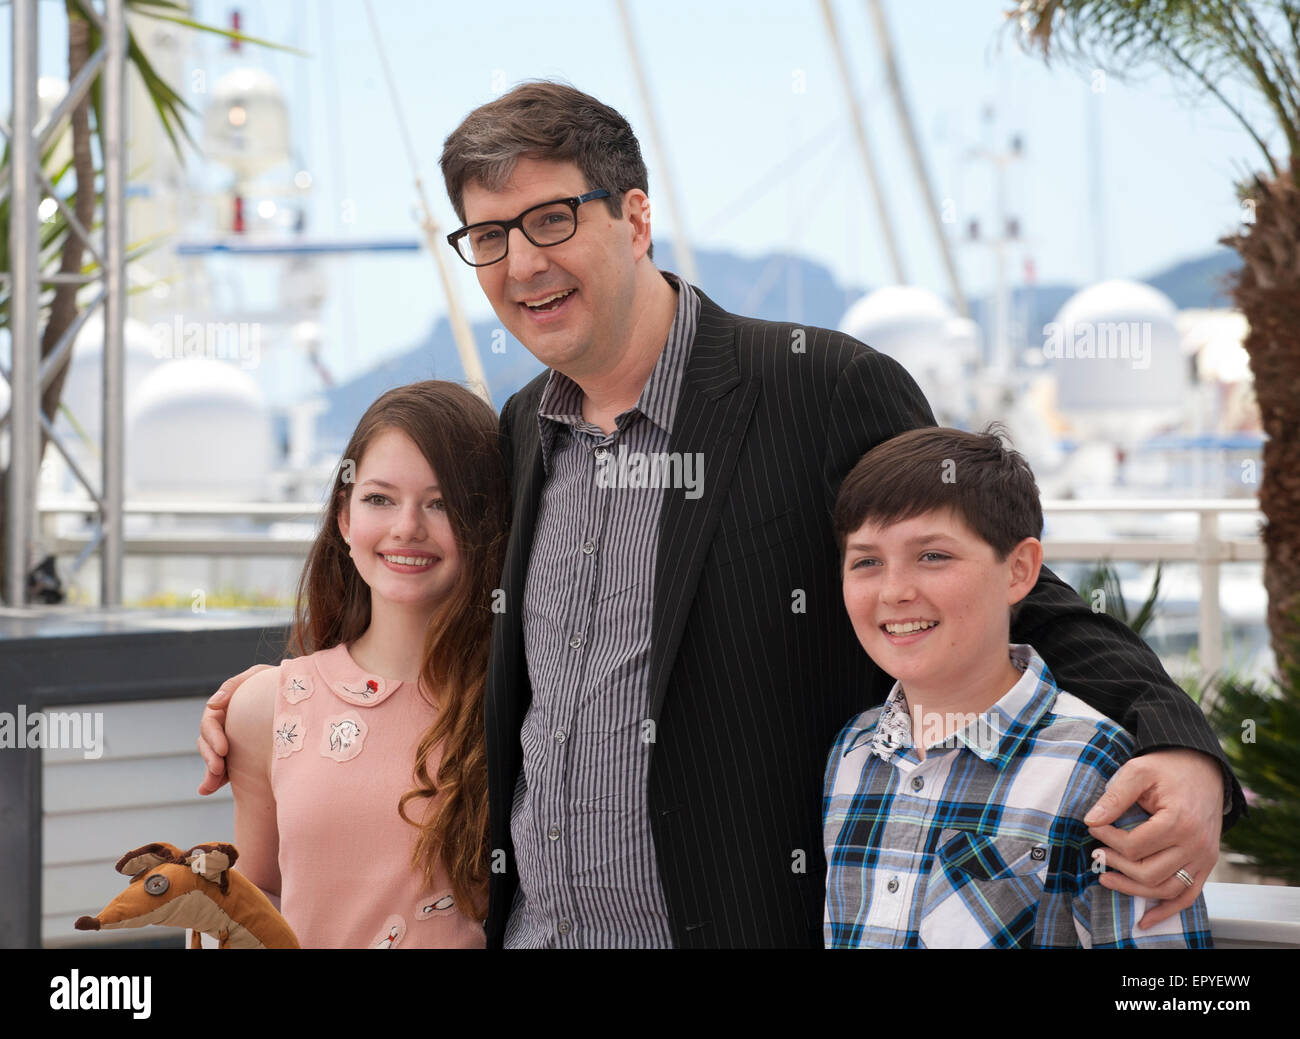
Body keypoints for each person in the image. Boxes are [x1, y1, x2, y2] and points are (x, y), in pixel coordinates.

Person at [200, 82, 1242, 949]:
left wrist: (1181, 747)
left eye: (553, 219)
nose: (521, 264)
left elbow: (1003, 593)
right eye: (488, 234)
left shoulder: (816, 388)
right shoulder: (517, 435)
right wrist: (272, 691)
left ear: (636, 216)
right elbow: (440, 630)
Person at [823, 426, 1213, 948]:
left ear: (1020, 569)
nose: (894, 591)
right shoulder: (851, 754)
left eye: (933, 556)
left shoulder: (1099, 772)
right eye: (867, 561)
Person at [222, 381, 507, 948]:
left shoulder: (528, 704)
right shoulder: (263, 708)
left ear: (486, 525)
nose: (407, 527)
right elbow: (255, 901)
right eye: (380, 499)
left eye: (442, 503)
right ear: (345, 518)